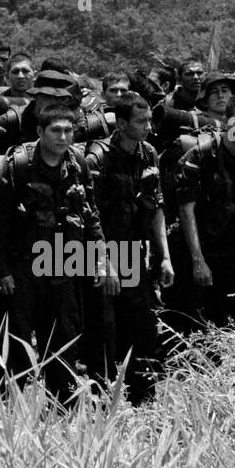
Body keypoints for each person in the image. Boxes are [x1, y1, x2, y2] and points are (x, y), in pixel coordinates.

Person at [0, 103, 108, 404]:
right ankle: (9, 405)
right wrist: (1, 269)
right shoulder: (18, 164)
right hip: (23, 263)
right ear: (40, 132)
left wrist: (100, 259)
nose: (63, 137)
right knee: (17, 339)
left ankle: (63, 404)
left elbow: (90, 213)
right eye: (56, 130)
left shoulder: (78, 162)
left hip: (64, 260)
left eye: (69, 130)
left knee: (64, 335)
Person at [82, 92, 173, 402]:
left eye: (149, 120)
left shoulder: (148, 153)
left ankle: (144, 399)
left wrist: (164, 256)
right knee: (104, 330)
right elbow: (88, 217)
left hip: (133, 252)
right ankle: (103, 399)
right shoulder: (97, 158)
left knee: (144, 327)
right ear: (120, 124)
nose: (148, 126)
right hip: (98, 254)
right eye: (140, 121)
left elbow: (157, 206)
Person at [176, 92, 235, 328]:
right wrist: (198, 259)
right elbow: (186, 211)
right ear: (227, 120)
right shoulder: (201, 154)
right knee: (197, 322)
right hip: (205, 249)